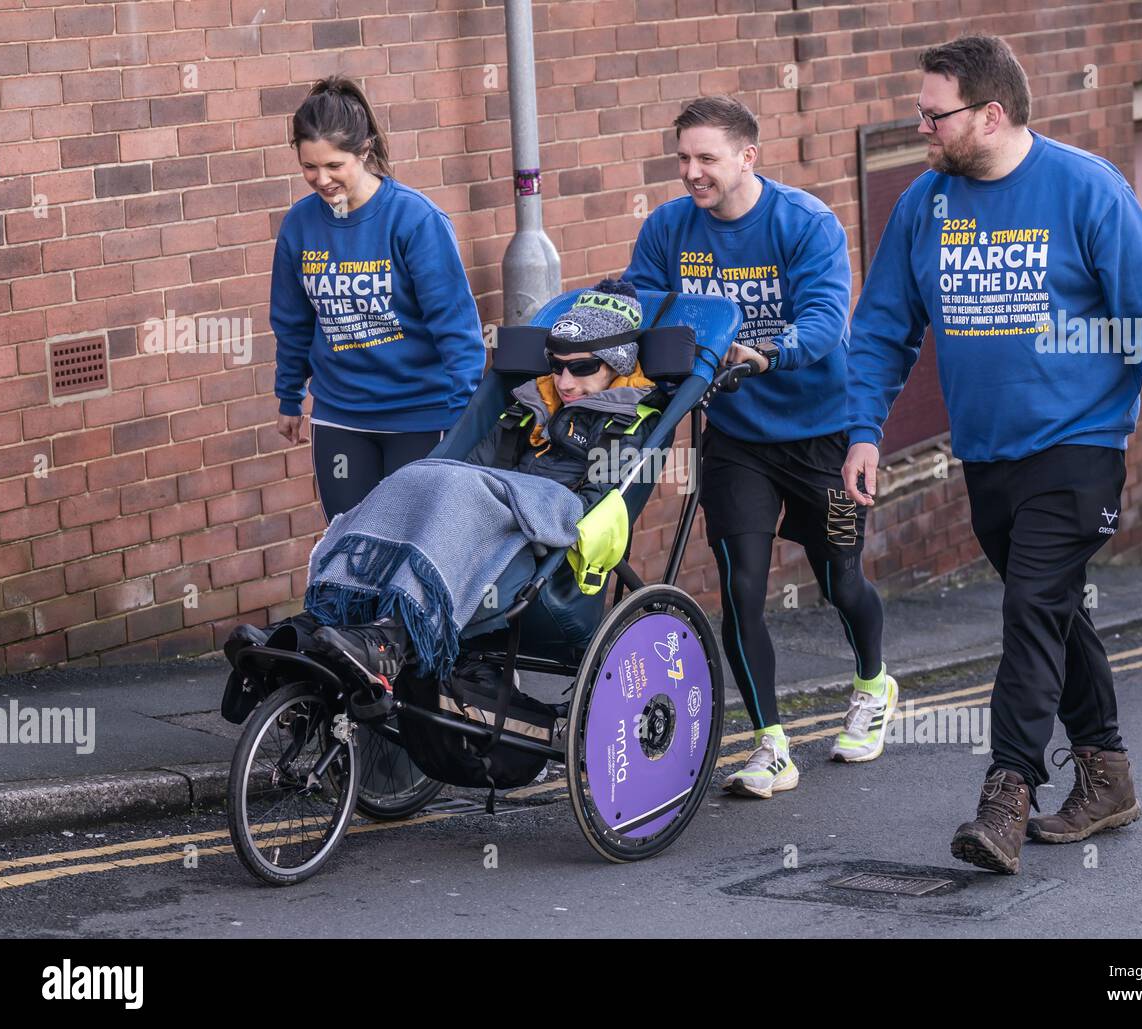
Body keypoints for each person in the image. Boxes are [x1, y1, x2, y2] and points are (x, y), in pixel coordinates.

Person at [843, 35, 1142, 873]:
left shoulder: (1085, 190)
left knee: (1030, 609)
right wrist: (865, 428)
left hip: (1079, 446)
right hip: (989, 455)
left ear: (992, 114)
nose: (922, 130)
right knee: (1052, 611)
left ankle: (1007, 791)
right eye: (918, 115)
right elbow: (882, 329)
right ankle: (1107, 773)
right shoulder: (925, 204)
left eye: (934, 116)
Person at [625, 96, 894, 800]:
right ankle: (770, 745)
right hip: (737, 439)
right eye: (683, 158)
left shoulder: (805, 224)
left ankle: (872, 682)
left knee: (840, 575)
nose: (692, 172)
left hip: (824, 437)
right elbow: (648, 315)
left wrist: (768, 352)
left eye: (706, 158)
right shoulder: (667, 229)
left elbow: (829, 320)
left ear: (748, 157)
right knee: (741, 587)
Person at [236, 280, 666, 690]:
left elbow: (595, 508)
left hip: (545, 550)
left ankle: (391, 638)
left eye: (583, 367)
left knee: (457, 490)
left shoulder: (629, 422)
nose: (565, 381)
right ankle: (321, 617)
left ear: (619, 364)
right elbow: (467, 467)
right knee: (417, 477)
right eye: (556, 367)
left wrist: (505, 499)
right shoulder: (529, 405)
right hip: (489, 513)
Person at [269, 75, 485, 521]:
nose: (321, 179)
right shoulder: (299, 226)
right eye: (310, 167)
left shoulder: (415, 220)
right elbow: (292, 322)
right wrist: (289, 396)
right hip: (340, 417)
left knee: (413, 554)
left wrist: (466, 421)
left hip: (421, 418)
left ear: (364, 151)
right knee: (350, 553)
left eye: (334, 166)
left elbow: (456, 328)